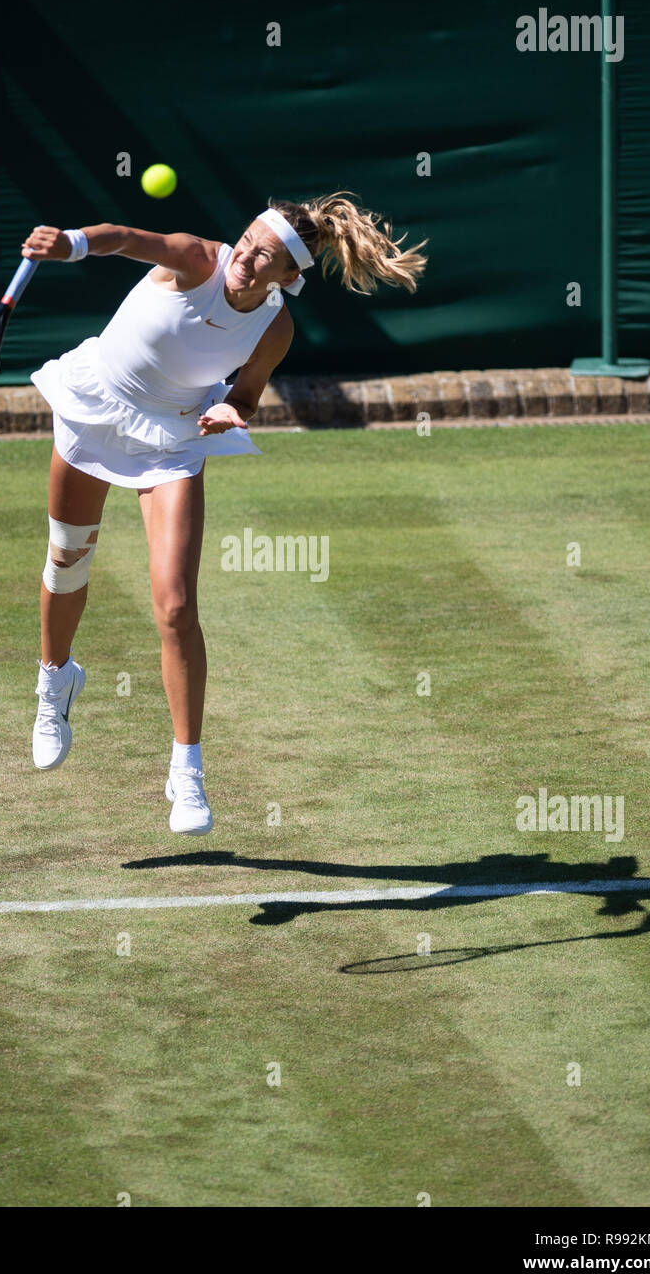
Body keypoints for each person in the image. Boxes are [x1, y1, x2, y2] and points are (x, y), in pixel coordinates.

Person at [25, 192, 427, 834]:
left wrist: (234, 411)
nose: (245, 255)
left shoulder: (275, 328)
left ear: (287, 277)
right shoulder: (194, 259)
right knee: (67, 562)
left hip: (173, 439)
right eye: (246, 240)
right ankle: (55, 682)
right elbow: (126, 236)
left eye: (263, 254)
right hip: (96, 407)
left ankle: (186, 772)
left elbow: (245, 396)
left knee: (176, 605)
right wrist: (71, 242)